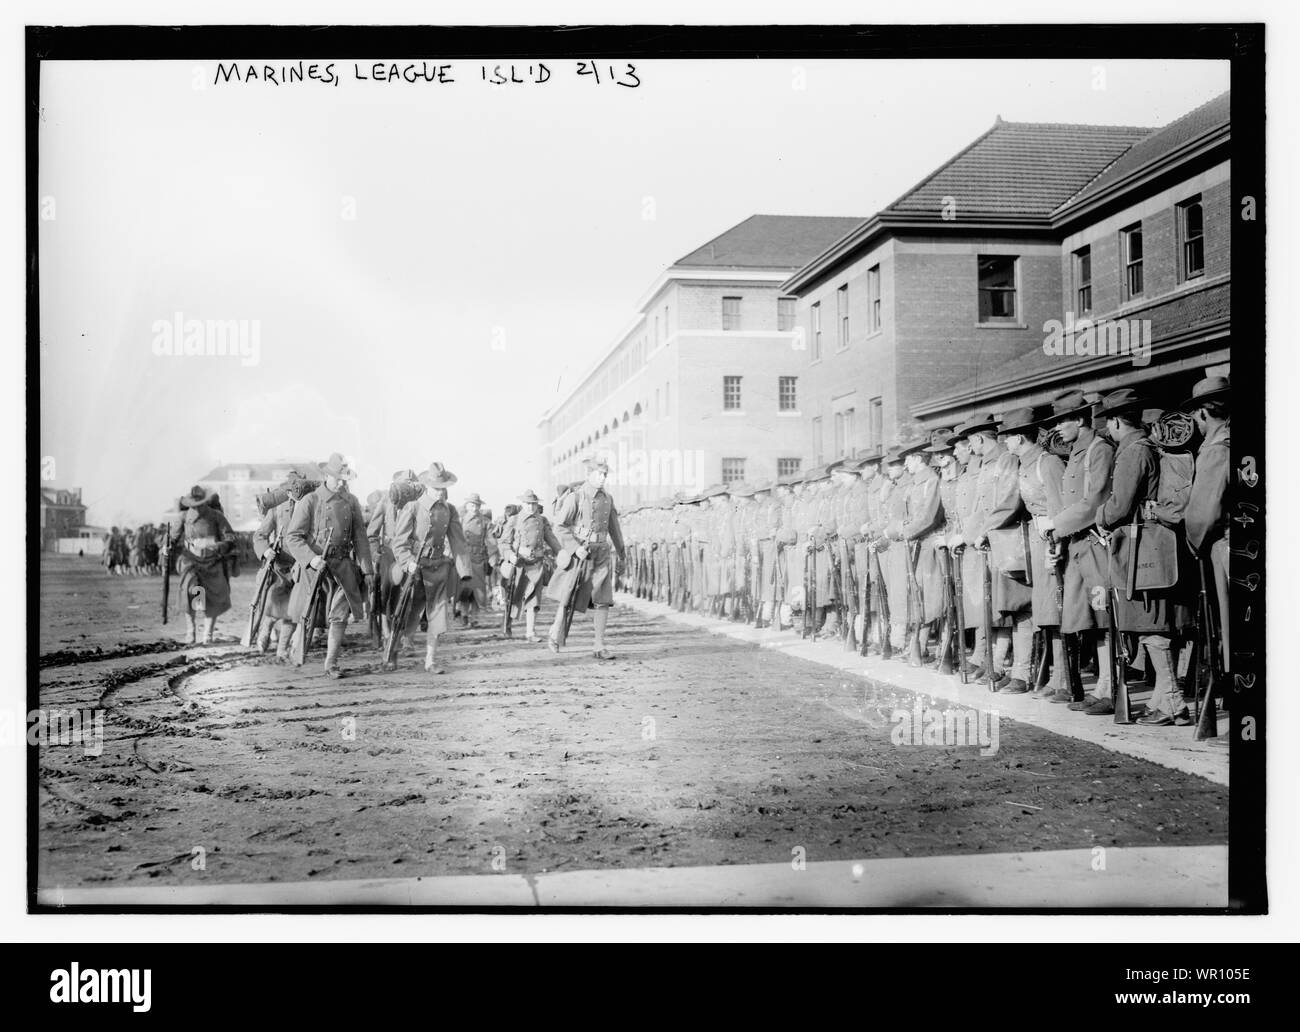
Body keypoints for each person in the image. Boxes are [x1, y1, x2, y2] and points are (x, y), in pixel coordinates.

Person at [1093, 389, 1184, 725]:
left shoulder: (1132, 452)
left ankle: (1173, 702)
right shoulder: (1145, 447)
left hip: (1140, 546)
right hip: (1151, 542)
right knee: (1152, 621)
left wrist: (1100, 517)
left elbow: (1119, 506)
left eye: (1109, 423)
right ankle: (1164, 700)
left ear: (1116, 421)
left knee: (1149, 620)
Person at [1040, 390, 1116, 713]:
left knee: (1104, 615)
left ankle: (1110, 687)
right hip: (1076, 544)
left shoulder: (1098, 450)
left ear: (1080, 420)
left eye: (1063, 420)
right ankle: (1100, 687)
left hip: (1095, 542)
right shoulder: (1074, 453)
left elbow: (1093, 501)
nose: (1058, 428)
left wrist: (1055, 525)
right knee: (1083, 616)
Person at [284, 453, 375, 678]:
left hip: (343, 566)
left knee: (340, 615)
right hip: (315, 567)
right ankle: (295, 651)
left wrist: (367, 570)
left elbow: (361, 538)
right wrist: (311, 558)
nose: (342, 482)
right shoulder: (310, 501)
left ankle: (332, 663)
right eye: (338, 478)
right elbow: (293, 536)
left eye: (345, 478)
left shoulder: (352, 501)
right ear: (326, 476)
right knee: (307, 614)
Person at [390, 462, 472, 675]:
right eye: (436, 487)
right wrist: (407, 561)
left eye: (443, 487)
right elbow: (399, 542)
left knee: (437, 614)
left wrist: (464, 571)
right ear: (427, 486)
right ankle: (395, 648)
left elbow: (458, 541)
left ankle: (430, 660)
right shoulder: (413, 507)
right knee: (409, 612)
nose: (440, 491)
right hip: (415, 570)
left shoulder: (450, 510)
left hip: (438, 569)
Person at [546, 456, 626, 658]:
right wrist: (574, 548)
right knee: (569, 596)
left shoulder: (607, 499)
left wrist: (622, 556)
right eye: (598, 474)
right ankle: (555, 633)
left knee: (603, 599)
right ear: (588, 474)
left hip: (601, 553)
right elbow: (559, 527)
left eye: (605, 474)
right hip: (581, 553)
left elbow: (614, 530)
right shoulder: (576, 497)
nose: (602, 478)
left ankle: (599, 645)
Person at [1183, 373, 1231, 684]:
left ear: (1203, 412)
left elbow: (1203, 515)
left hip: (1225, 545)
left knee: (1231, 625)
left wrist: (1194, 544)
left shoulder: (1216, 449)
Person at [167, 485, 237, 645]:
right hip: (191, 559)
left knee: (213, 597)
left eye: (199, 504)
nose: (196, 507)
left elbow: (230, 537)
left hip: (213, 560)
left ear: (205, 502)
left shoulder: (216, 516)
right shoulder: (184, 516)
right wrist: (168, 545)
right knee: (190, 591)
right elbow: (173, 536)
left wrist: (220, 546)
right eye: (193, 504)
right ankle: (191, 631)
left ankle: (208, 634)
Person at [252, 468, 309, 656]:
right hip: (279, 566)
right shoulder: (278, 509)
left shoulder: (311, 507)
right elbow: (260, 535)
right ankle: (265, 629)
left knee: (294, 608)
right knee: (272, 601)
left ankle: (282, 648)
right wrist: (265, 550)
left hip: (301, 566)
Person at [500, 489, 562, 642]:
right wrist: (510, 555)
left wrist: (561, 553)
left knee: (534, 598)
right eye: (528, 504)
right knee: (513, 597)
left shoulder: (542, 520)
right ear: (522, 504)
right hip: (519, 564)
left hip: (536, 564)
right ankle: (507, 626)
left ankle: (530, 632)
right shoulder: (514, 520)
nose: (531, 507)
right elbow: (504, 542)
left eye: (533, 504)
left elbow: (552, 539)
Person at [457, 493, 497, 628]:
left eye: (477, 505)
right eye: (472, 505)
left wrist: (493, 557)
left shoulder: (485, 522)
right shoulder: (460, 520)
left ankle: (474, 618)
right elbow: (454, 538)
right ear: (467, 506)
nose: (474, 508)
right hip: (464, 559)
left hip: (479, 558)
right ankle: (463, 615)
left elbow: (491, 541)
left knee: (478, 591)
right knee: (464, 589)